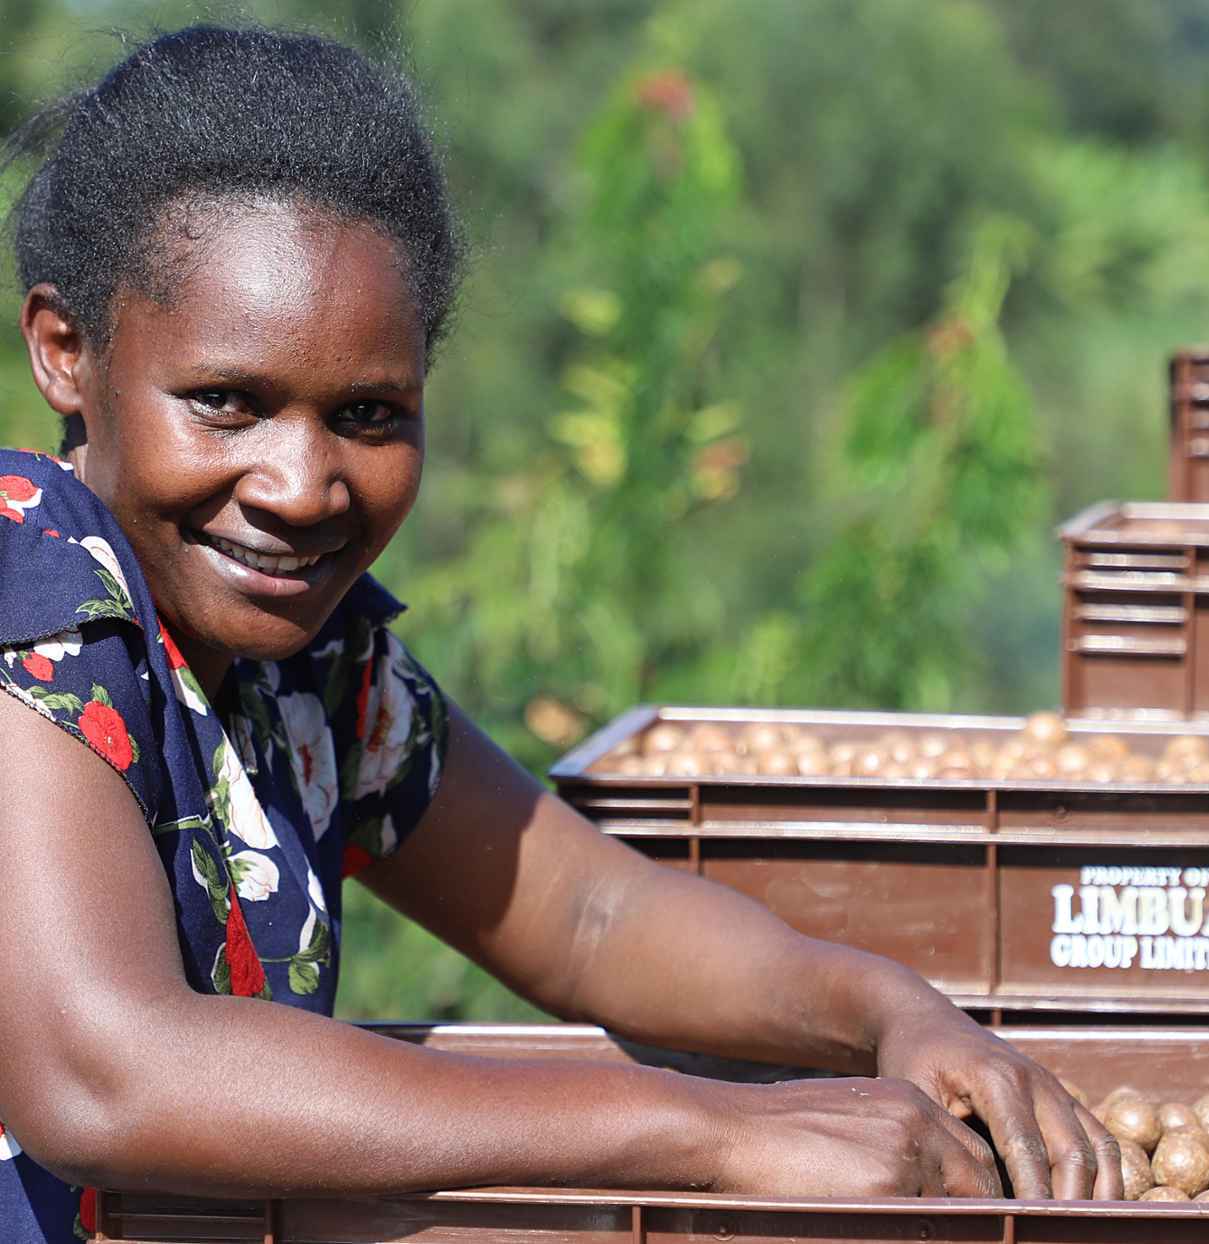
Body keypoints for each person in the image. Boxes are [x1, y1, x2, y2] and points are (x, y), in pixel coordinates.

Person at [0, 23, 1120, 1243]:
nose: (300, 483)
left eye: (368, 414)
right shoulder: (34, 596)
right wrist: (706, 1128)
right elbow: (103, 1073)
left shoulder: (315, 672)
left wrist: (888, 1009)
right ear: (66, 352)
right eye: (226, 402)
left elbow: (594, 920)